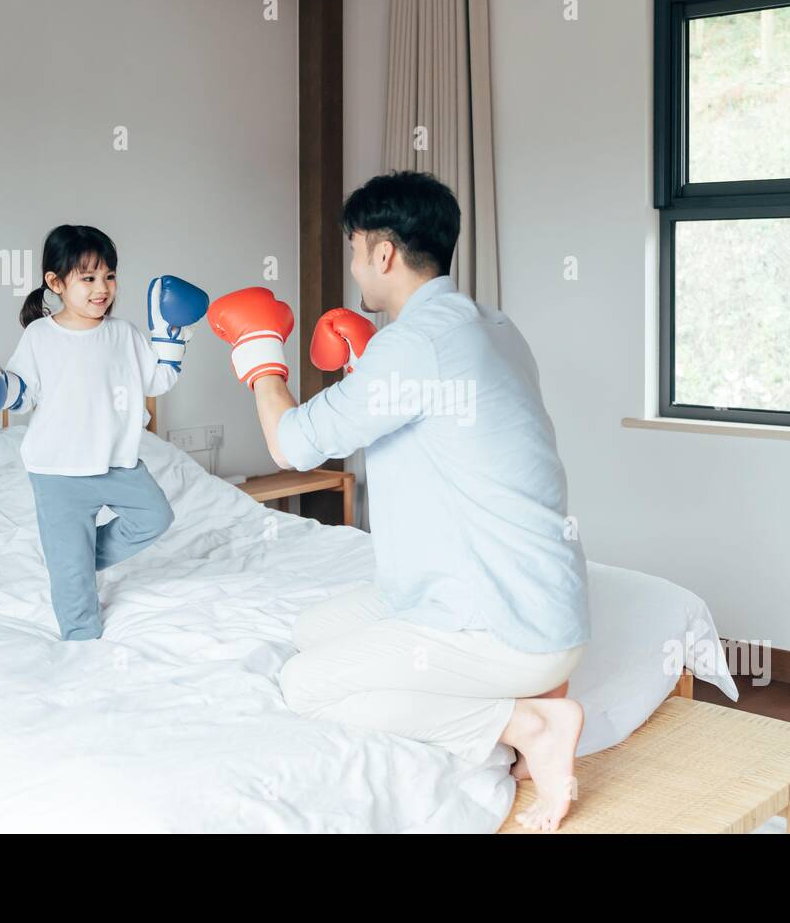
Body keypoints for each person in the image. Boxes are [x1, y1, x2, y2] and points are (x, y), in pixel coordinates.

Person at [209, 172, 590, 831]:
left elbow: (291, 445)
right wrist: (365, 361)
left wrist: (259, 353)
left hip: (503, 623)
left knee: (304, 686)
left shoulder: (412, 345)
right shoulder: (491, 325)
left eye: (354, 250)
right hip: (533, 597)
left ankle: (526, 720)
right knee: (310, 635)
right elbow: (442, 427)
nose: (355, 265)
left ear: (382, 253)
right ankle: (523, 689)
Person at [0, 224, 208, 640]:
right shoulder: (40, 336)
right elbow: (24, 393)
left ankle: (74, 559)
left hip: (117, 464)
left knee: (155, 517)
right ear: (56, 282)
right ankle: (82, 642)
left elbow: (156, 381)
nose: (101, 288)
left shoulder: (123, 334)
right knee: (74, 587)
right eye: (87, 278)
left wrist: (172, 338)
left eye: (109, 276)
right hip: (57, 473)